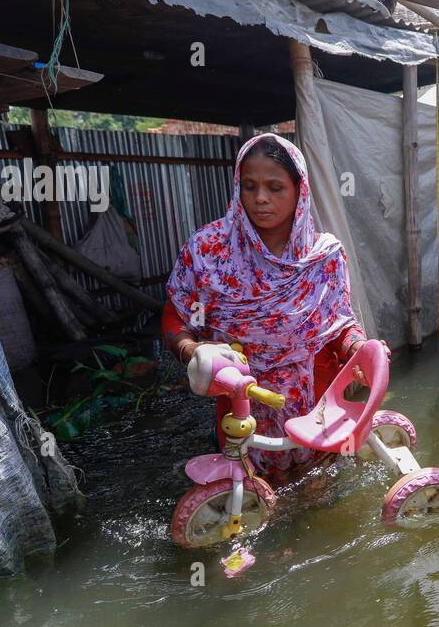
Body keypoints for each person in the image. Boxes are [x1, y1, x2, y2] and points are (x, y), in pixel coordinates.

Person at [162, 133, 388, 485]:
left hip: (317, 412)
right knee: (248, 502)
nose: (260, 199)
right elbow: (180, 315)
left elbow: (339, 325)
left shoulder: (322, 257)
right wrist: (192, 350)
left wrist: (359, 350)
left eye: (275, 187)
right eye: (249, 186)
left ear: (300, 190)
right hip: (241, 406)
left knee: (318, 499)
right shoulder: (208, 250)